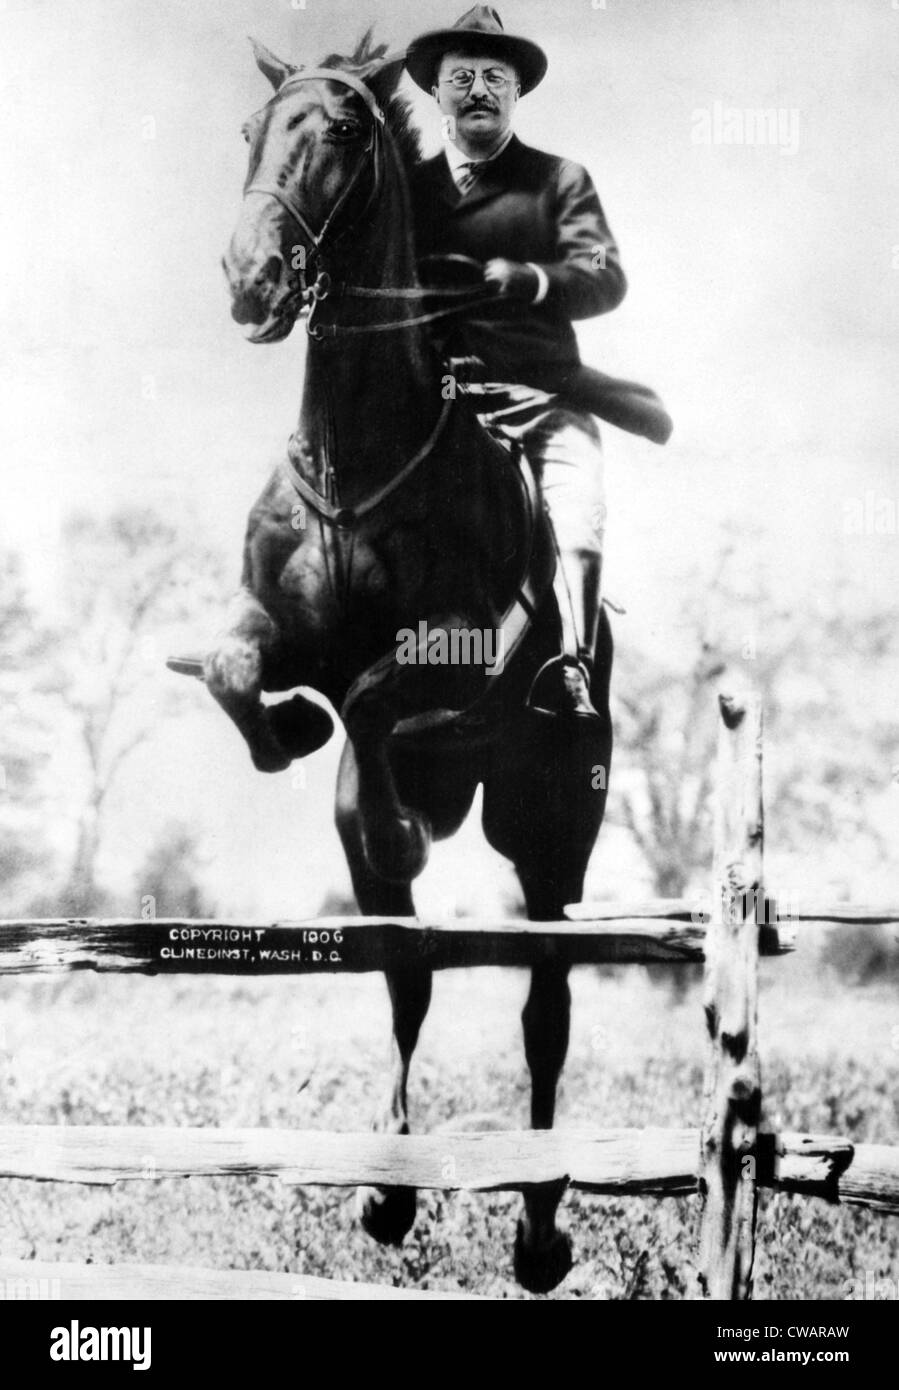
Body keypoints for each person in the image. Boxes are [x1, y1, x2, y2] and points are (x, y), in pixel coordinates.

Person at [406, 5, 627, 722]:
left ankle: (569, 663)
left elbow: (603, 275)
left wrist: (532, 279)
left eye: (493, 77)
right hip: (431, 405)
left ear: (515, 92)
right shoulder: (405, 190)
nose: (478, 90)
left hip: (540, 400)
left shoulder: (558, 179)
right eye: (461, 76)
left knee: (578, 511)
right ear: (435, 92)